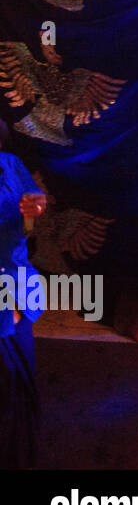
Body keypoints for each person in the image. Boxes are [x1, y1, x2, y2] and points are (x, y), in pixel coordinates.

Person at [0, 118, 48, 469]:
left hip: (17, 288)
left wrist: (34, 211)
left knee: (22, 387)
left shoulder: (10, 165)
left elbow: (29, 224)